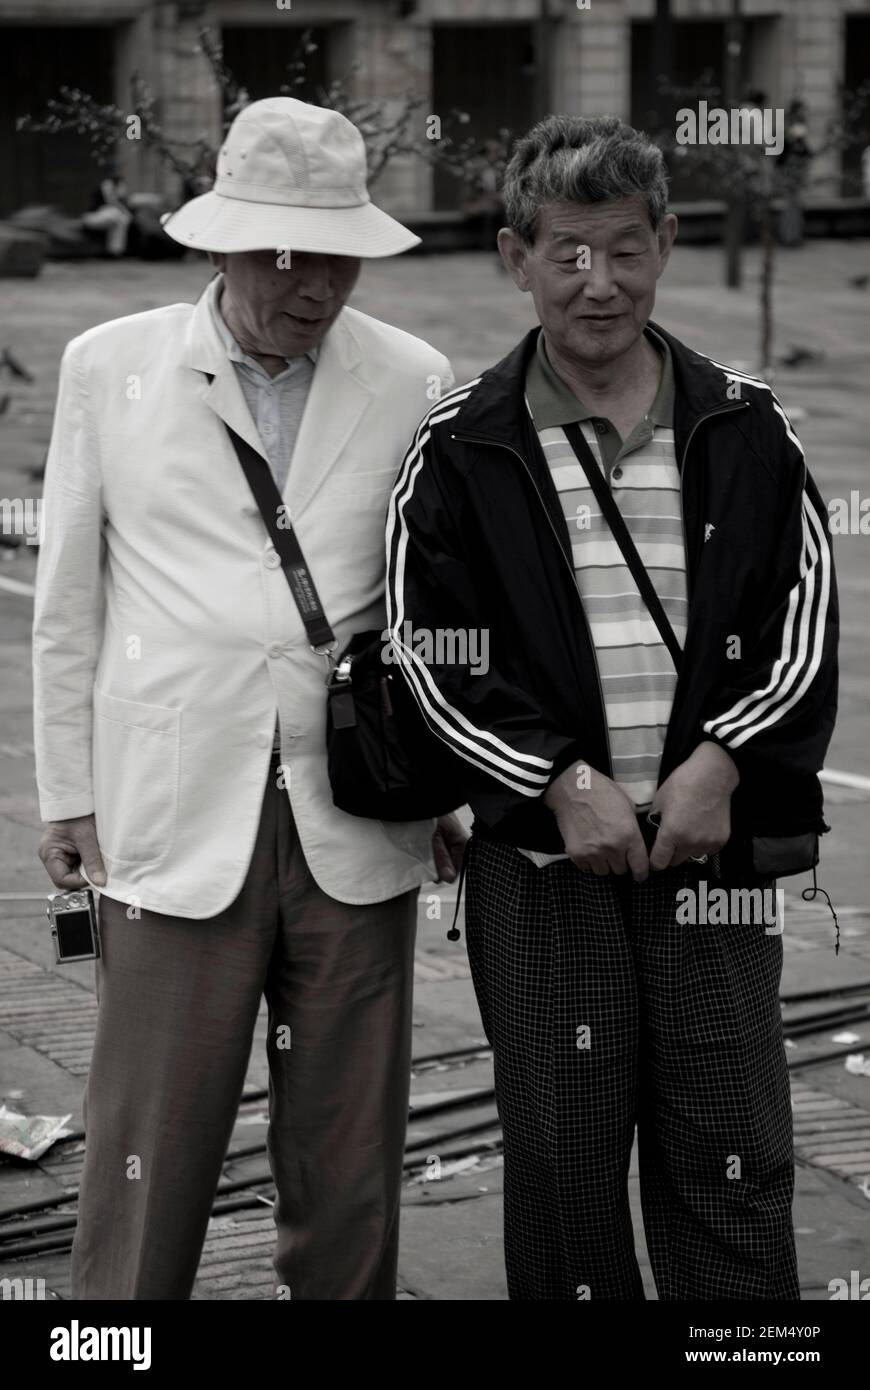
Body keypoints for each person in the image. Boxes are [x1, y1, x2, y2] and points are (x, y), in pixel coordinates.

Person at [387, 114, 838, 1300]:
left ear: (668, 243)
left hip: (714, 860)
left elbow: (803, 621)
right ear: (515, 255)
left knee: (735, 1156)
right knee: (564, 1169)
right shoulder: (458, 443)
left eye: (627, 250)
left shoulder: (745, 421)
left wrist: (722, 760)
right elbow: (428, 652)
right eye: (570, 253)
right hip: (543, 876)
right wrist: (555, 779)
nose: (601, 285)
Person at [33, 96, 465, 1301]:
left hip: (358, 812)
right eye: (284, 252)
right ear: (220, 245)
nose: (314, 283)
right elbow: (67, 600)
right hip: (172, 803)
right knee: (143, 1153)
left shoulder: (414, 377)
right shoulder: (109, 367)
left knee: (349, 1159)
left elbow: (428, 600)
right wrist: (67, 790)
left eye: (335, 254)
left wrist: (446, 780)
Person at [81, 163, 133, 258]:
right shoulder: (106, 184)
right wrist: (126, 212)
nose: (122, 172)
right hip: (93, 217)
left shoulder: (120, 184)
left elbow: (124, 199)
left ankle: (115, 251)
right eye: (119, 170)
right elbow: (112, 202)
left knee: (122, 221)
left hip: (110, 216)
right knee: (119, 216)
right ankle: (114, 251)